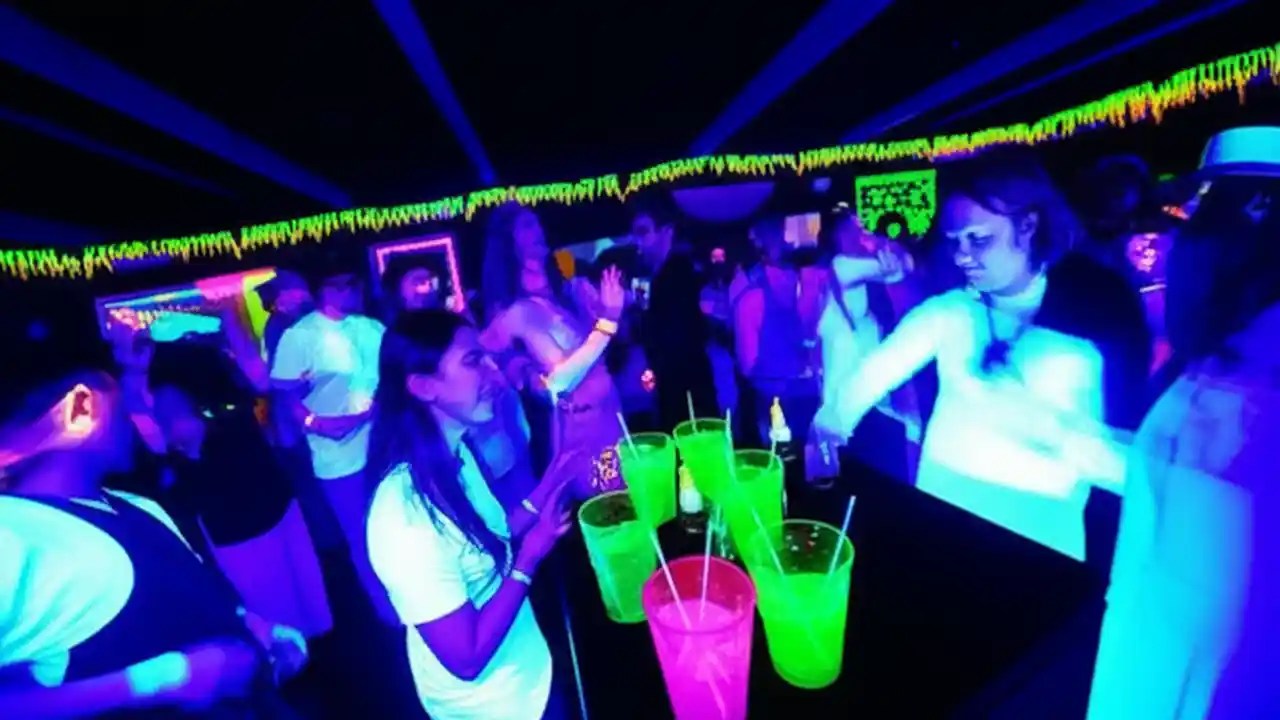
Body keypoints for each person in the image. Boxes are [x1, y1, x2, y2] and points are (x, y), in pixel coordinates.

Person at [814, 152, 1110, 561]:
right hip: (945, 526)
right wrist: (825, 434)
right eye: (955, 243)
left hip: (1040, 543)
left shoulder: (1088, 319)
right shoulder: (952, 312)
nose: (962, 256)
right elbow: (868, 379)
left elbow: (1109, 458)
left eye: (979, 239)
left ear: (1028, 226)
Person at [1087, 127, 1280, 719]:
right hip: (1143, 666)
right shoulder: (1209, 361)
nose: (1182, 224)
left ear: (1255, 213)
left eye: (1201, 207)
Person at [0, 370, 305, 717]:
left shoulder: (140, 505)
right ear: (79, 410)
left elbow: (195, 597)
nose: (131, 422)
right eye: (119, 409)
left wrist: (260, 630)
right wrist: (161, 680)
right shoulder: (12, 532)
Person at [366, 309, 588, 720]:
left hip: (529, 672)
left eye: (487, 357)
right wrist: (529, 558)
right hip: (494, 707)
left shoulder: (457, 452)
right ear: (423, 385)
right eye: (473, 361)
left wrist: (554, 473)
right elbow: (466, 660)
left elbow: (494, 534)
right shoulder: (402, 518)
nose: (495, 373)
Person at [149, 341, 333, 640]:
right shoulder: (226, 380)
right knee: (301, 587)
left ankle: (293, 661)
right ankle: (314, 652)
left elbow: (186, 448)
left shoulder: (169, 396)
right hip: (271, 496)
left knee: (272, 601)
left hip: (235, 516)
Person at [269, 257, 391, 621]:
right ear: (323, 289)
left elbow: (393, 376)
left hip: (383, 445)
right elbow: (284, 394)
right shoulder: (300, 336)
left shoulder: (372, 328)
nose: (351, 290)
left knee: (396, 526)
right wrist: (313, 422)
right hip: (338, 457)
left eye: (354, 283)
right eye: (341, 284)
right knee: (362, 538)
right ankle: (388, 614)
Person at [479, 203, 626, 490]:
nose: (539, 230)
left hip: (611, 413)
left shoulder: (570, 292)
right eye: (526, 226)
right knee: (606, 516)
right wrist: (608, 322)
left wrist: (605, 313)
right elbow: (554, 385)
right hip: (578, 432)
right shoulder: (512, 313)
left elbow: (609, 355)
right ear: (508, 242)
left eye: (537, 223)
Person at [815, 208, 916, 484]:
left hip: (860, 391)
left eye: (861, 228)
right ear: (836, 236)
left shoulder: (847, 270)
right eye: (852, 229)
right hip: (850, 391)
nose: (861, 234)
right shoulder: (842, 266)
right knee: (866, 473)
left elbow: (901, 271)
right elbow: (903, 265)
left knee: (868, 474)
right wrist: (885, 244)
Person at [627, 202, 719, 429]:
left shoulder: (678, 274)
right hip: (679, 387)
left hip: (687, 390)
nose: (638, 242)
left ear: (667, 232)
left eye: (644, 232)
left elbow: (678, 340)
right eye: (635, 234)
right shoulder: (660, 276)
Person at [734, 215, 823, 446]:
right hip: (774, 400)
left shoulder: (811, 284)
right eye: (784, 234)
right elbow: (747, 364)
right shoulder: (752, 297)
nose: (790, 241)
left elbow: (813, 336)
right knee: (787, 467)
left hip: (810, 394)